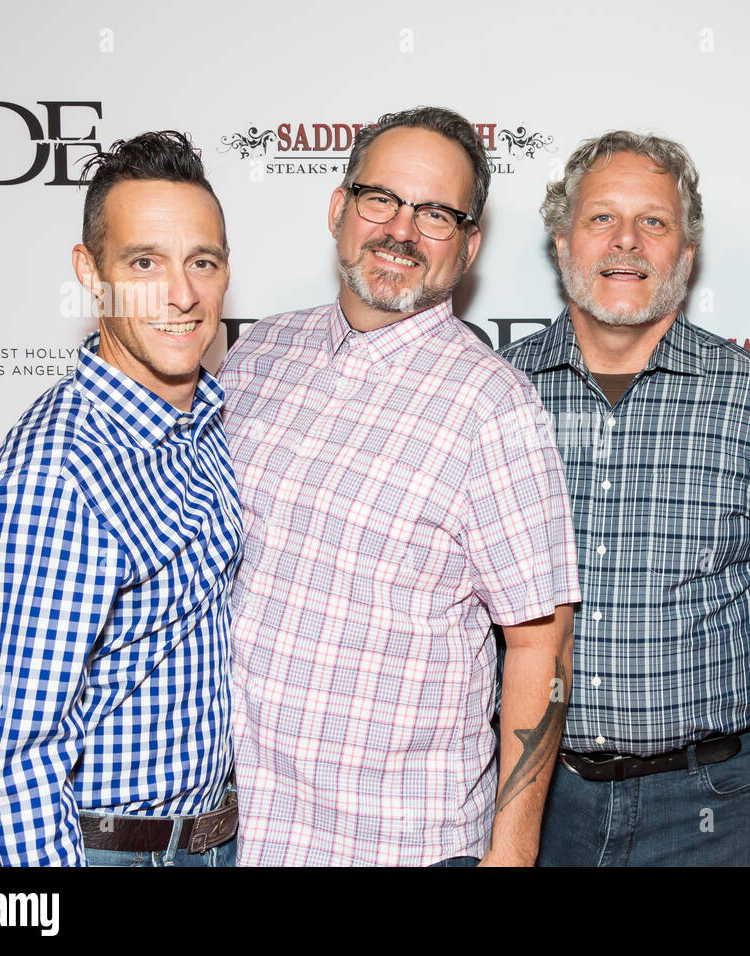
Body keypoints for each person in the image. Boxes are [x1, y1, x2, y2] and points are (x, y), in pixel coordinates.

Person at [221, 106, 579, 867]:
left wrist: (511, 856)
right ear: (338, 208)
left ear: (470, 245)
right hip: (235, 834)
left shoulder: (495, 409)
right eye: (380, 199)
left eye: (437, 214)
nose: (401, 231)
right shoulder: (256, 354)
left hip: (399, 843)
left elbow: (539, 647)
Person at [501, 132, 750, 866]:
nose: (626, 242)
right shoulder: (495, 397)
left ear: (686, 253)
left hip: (718, 802)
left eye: (654, 222)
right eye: (600, 218)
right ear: (561, 243)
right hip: (535, 797)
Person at [0, 131, 242, 866]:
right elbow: (14, 757)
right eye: (144, 262)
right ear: (92, 272)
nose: (181, 295)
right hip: (113, 853)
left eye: (201, 262)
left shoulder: (205, 422)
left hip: (217, 840)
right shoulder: (59, 474)